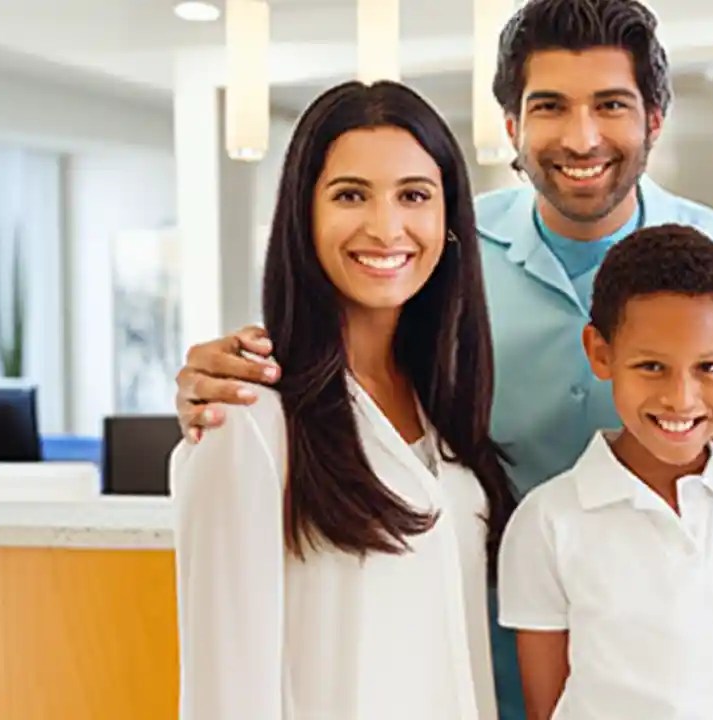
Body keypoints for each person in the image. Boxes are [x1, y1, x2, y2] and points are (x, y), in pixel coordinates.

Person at [170, 1, 713, 717]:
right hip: (487, 668)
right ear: (512, 127)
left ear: (654, 119)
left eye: (611, 104)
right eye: (550, 106)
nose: (581, 136)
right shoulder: (447, 260)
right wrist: (216, 387)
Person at [171, 80, 515, 719]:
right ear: (303, 217)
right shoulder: (248, 418)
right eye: (351, 195)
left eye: (414, 195)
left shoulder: (442, 402)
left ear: (449, 220)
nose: (385, 228)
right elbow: (225, 693)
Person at [497, 224, 713, 720]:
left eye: (708, 368)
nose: (680, 399)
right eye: (651, 367)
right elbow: (547, 708)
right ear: (601, 354)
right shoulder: (547, 522)